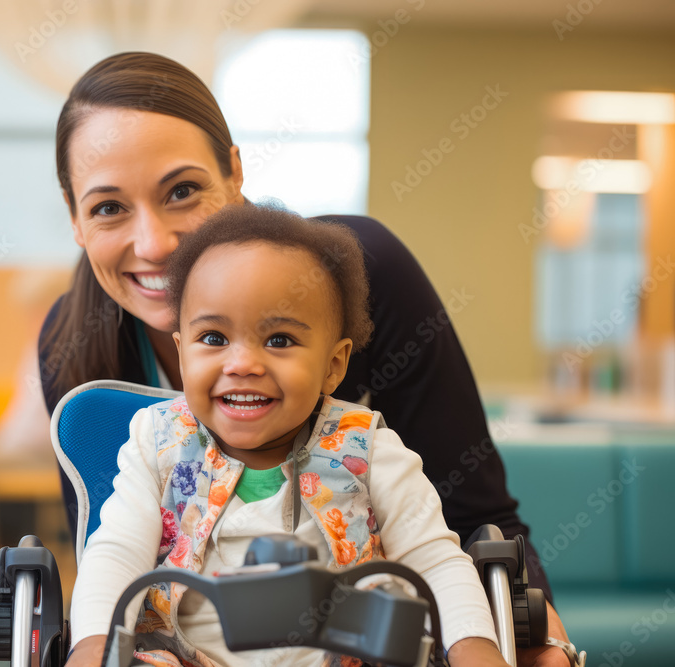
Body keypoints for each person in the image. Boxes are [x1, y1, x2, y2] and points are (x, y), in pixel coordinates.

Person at [38, 51, 572, 666]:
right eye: (108, 206)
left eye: (183, 190)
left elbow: (466, 525)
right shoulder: (91, 373)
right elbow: (109, 555)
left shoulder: (364, 395)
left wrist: (529, 640)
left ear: (234, 172)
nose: (154, 243)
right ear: (75, 218)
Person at [66, 205, 510, 667]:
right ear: (182, 354)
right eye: (214, 338)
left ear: (334, 365)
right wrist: (92, 646)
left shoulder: (369, 448)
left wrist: (475, 648)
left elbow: (435, 562)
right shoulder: (156, 442)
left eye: (278, 340)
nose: (242, 364)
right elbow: (116, 555)